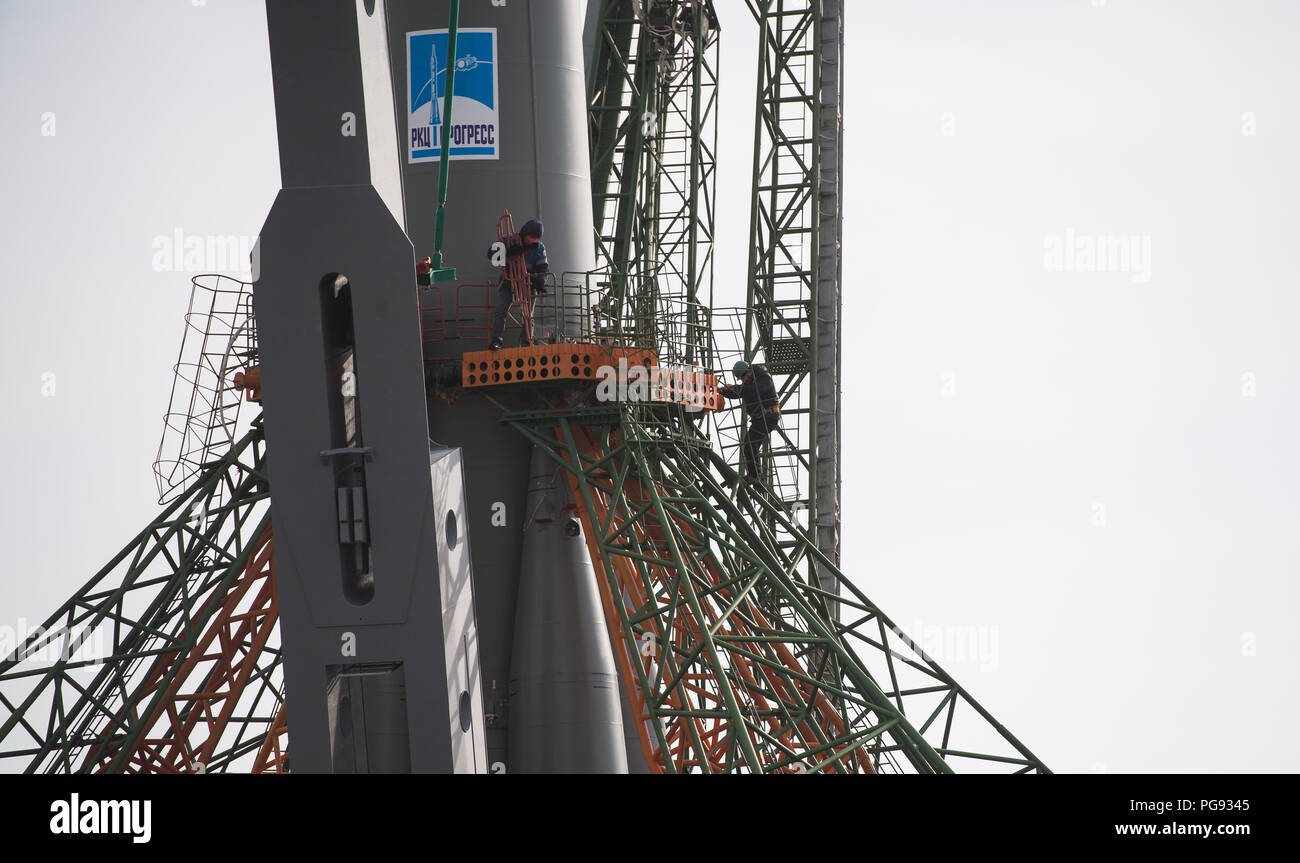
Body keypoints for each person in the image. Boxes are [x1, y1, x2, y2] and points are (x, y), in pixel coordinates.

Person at [489, 219, 549, 349]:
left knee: (528, 316)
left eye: (535, 240)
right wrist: (508, 252)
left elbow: (543, 268)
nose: (531, 242)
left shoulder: (539, 247)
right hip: (508, 280)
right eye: (530, 238)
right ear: (524, 233)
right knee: (501, 311)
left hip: (528, 283)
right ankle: (496, 341)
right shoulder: (508, 241)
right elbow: (492, 256)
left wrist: (541, 283)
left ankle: (526, 343)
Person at [719, 360, 780, 484]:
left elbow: (752, 391)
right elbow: (739, 393)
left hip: (768, 416)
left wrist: (735, 388)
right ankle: (756, 476)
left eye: (744, 377)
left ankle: (756, 476)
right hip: (761, 418)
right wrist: (724, 391)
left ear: (750, 372)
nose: (743, 380)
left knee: (750, 444)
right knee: (750, 445)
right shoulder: (749, 382)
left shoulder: (764, 377)